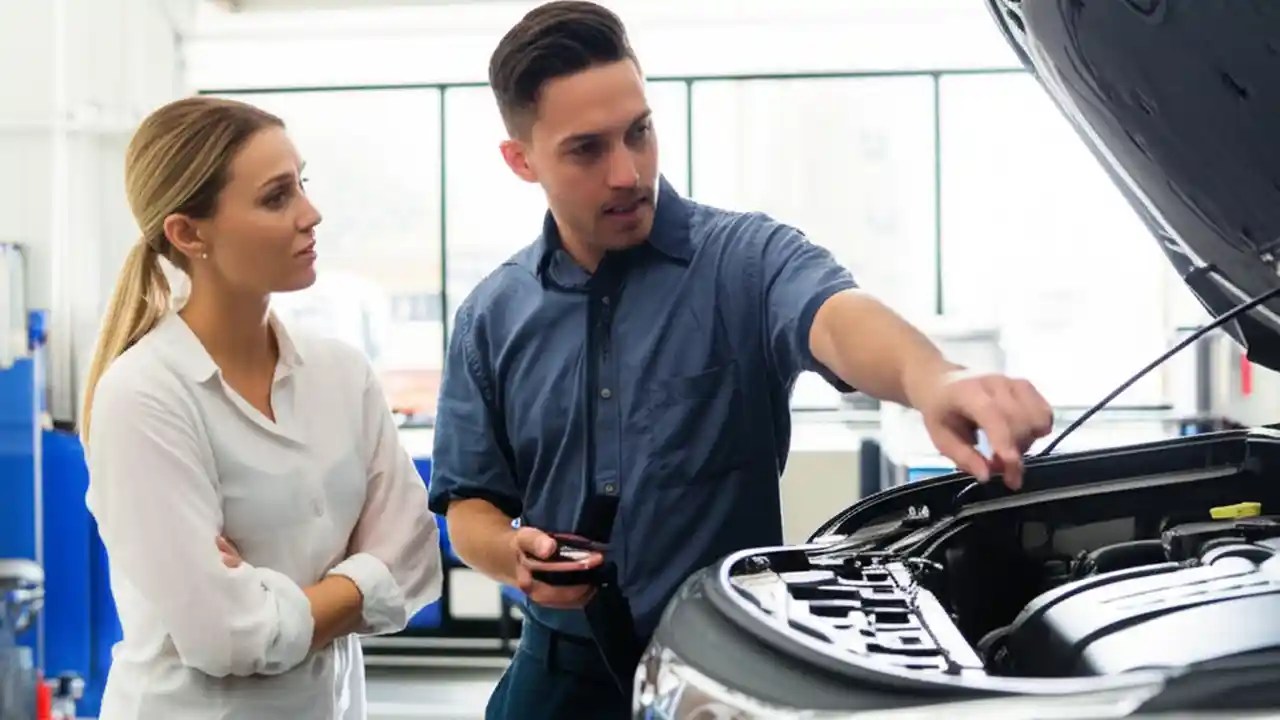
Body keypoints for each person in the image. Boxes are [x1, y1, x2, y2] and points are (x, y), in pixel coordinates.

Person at [428, 2, 1055, 717]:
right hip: (558, 674)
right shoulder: (490, 316)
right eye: (587, 149)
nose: (628, 173)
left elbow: (836, 317)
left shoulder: (745, 261)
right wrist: (513, 557)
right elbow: (471, 506)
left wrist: (931, 376)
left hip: (722, 668)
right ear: (522, 160)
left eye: (639, 132)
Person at [80, 96, 443, 719]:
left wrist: (266, 597)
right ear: (189, 233)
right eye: (277, 197)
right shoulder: (142, 396)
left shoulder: (341, 374)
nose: (312, 213)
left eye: (302, 184)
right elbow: (223, 635)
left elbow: (414, 557)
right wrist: (357, 584)